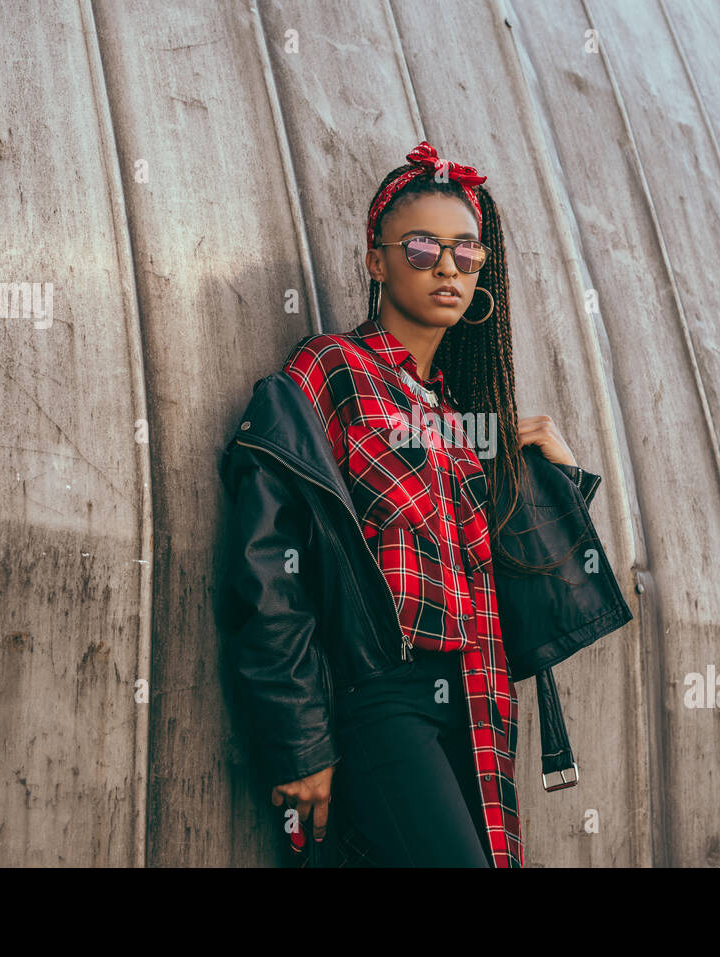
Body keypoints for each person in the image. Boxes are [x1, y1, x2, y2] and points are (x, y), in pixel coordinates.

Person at [222, 141, 604, 868]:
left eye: (467, 252)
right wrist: (299, 739)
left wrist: (562, 482)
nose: (449, 267)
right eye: (424, 247)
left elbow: (524, 596)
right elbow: (269, 560)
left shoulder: (468, 419)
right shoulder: (332, 369)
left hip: (481, 704)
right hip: (384, 696)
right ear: (377, 261)